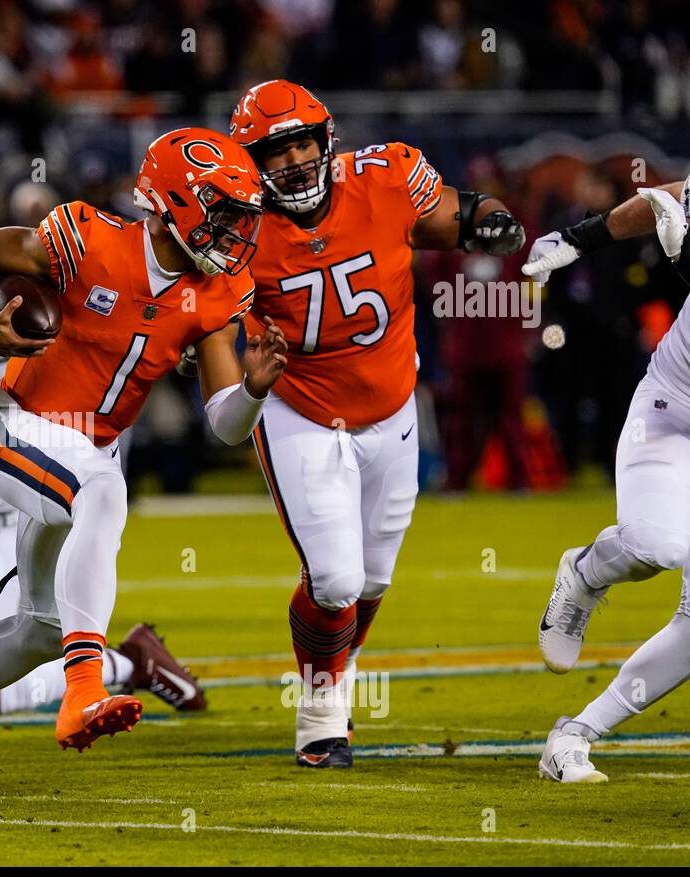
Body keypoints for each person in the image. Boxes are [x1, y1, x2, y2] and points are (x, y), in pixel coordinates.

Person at [0, 127, 285, 800]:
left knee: (41, 630)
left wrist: (256, 392)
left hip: (86, 448)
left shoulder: (216, 292)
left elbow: (225, 426)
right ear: (174, 200)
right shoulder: (89, 237)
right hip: (15, 425)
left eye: (240, 216)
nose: (235, 231)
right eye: (224, 212)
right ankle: (85, 687)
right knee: (102, 493)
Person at [229, 79, 524, 767]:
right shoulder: (238, 228)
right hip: (301, 409)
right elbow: (208, 315)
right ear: (252, 163)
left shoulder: (385, 176)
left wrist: (485, 216)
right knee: (333, 579)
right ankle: (321, 712)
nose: (295, 161)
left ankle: (334, 676)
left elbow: (449, 216)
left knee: (371, 580)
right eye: (276, 151)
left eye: (303, 142)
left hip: (392, 404)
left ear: (326, 141)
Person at [527, 174, 690, 782]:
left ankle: (574, 734)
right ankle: (586, 570)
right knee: (657, 545)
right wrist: (579, 238)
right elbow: (665, 196)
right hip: (672, 412)